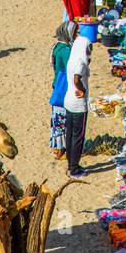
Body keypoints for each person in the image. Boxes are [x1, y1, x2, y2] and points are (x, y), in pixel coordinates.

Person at [63, 26, 93, 177]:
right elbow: (77, 78)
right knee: (77, 137)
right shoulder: (80, 62)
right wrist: (82, 89)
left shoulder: (72, 59)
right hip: (78, 104)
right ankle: (74, 168)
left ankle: (70, 164)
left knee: (70, 135)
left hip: (68, 100)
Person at [49, 22, 77, 159]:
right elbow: (71, 67)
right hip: (63, 87)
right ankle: (60, 149)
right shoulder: (66, 50)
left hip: (57, 84)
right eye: (74, 33)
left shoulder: (57, 46)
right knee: (62, 118)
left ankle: (58, 146)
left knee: (57, 118)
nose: (76, 35)